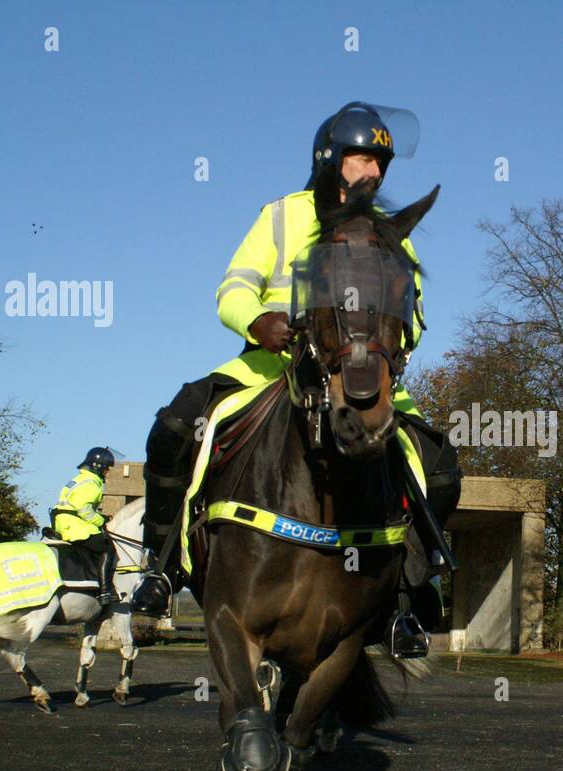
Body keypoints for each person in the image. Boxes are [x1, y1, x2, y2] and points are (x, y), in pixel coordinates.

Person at [133, 102, 451, 657]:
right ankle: (160, 573)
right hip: (269, 367)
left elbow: (415, 316)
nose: (375, 172)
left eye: (382, 163)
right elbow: (232, 289)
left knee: (441, 466)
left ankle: (408, 598)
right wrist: (257, 321)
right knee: (174, 428)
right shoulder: (282, 215)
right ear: (330, 158)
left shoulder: (392, 235)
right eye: (363, 158)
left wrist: (388, 349)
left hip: (365, 375)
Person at [51, 447, 120, 606]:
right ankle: (105, 591)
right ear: (98, 467)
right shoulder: (91, 484)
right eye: (106, 468)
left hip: (64, 524)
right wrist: (101, 521)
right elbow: (84, 509)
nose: (107, 473)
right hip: (76, 527)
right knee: (107, 548)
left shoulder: (79, 480)